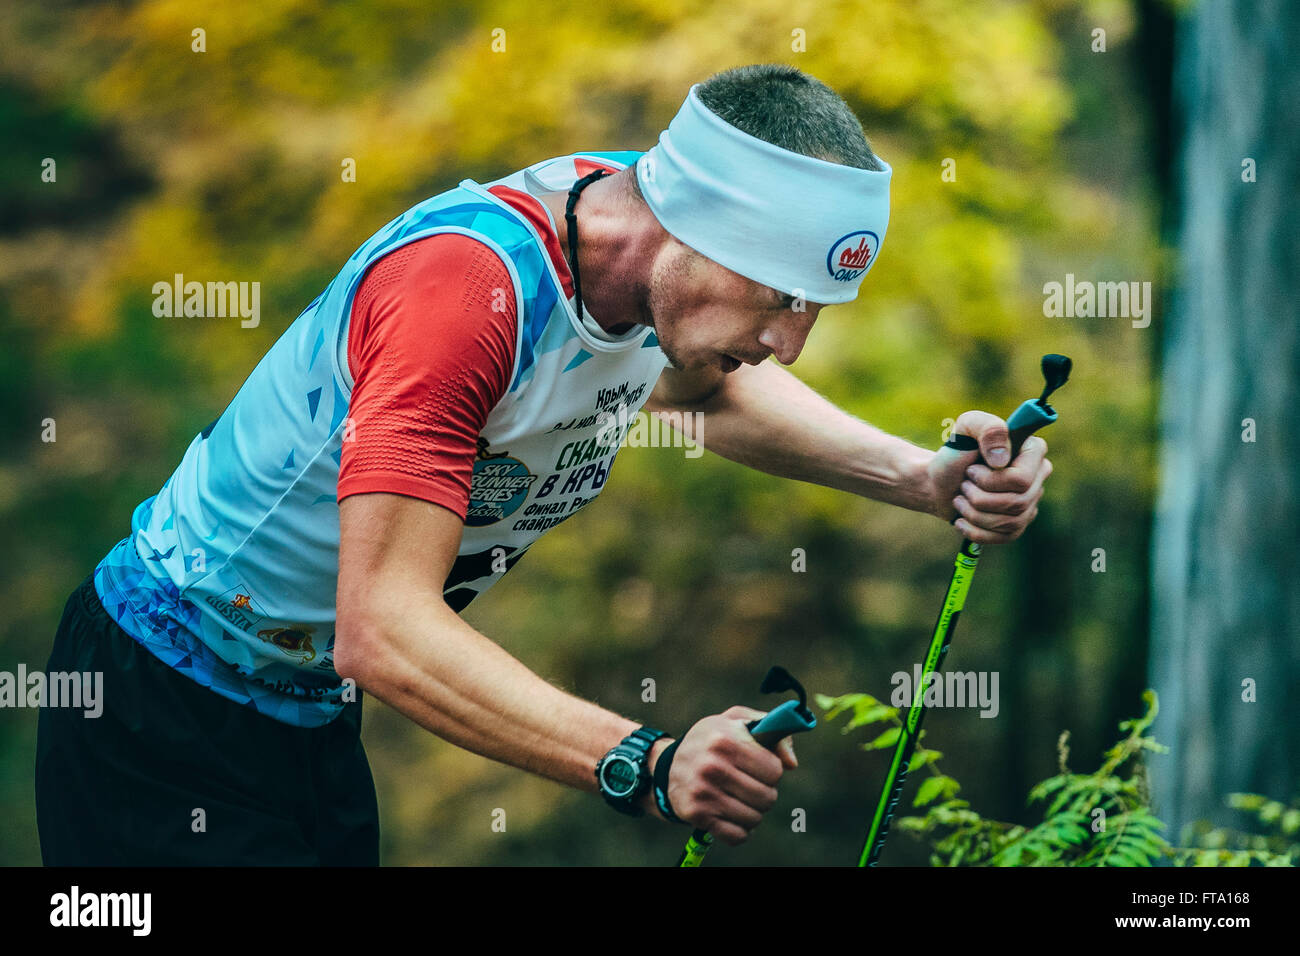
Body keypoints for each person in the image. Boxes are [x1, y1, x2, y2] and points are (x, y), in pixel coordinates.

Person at [35, 63, 1052, 865]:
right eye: (782, 301)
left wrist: (920, 477)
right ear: (699, 233)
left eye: (813, 311)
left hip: (304, 721)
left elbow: (711, 389)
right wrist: (647, 763)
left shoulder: (651, 255)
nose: (792, 342)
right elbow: (381, 627)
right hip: (157, 703)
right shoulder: (463, 296)